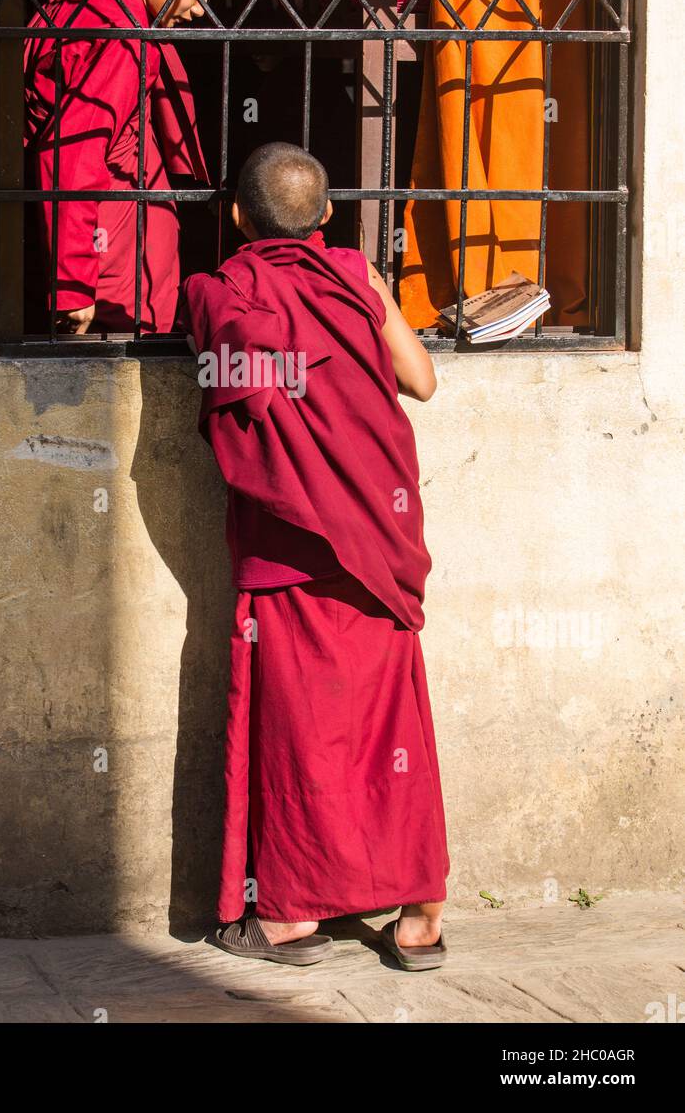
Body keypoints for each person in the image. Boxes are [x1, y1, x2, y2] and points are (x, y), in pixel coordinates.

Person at [179, 142, 449, 967]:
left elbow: (241, 383)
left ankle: (291, 914)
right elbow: (423, 381)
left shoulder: (224, 294)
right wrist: (378, 297)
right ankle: (420, 915)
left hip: (297, 542)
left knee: (303, 733)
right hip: (377, 536)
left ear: (234, 216)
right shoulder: (355, 281)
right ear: (328, 214)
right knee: (395, 726)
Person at [23, 0, 234, 334]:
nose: (198, 11)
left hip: (113, 258)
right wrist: (73, 286)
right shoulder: (119, 34)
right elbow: (73, 151)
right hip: (112, 275)